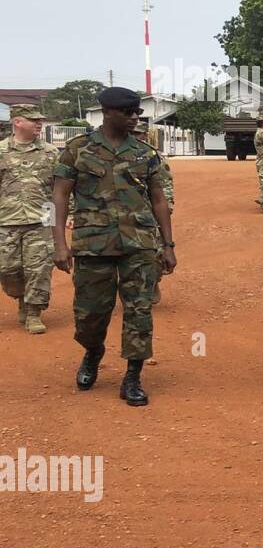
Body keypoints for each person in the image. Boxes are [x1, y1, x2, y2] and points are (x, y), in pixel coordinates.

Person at [51, 87, 176, 406]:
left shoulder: (146, 153)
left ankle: (133, 376)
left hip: (139, 245)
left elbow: (159, 199)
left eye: (138, 112)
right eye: (129, 112)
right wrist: (59, 244)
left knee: (139, 311)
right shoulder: (77, 150)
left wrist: (168, 244)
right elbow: (60, 197)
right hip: (92, 245)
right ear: (108, 113)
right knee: (89, 315)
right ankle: (93, 352)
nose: (136, 117)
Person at [0, 104, 59, 334]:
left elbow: (61, 188)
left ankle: (33, 312)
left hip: (42, 219)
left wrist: (66, 215)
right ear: (17, 122)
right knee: (7, 269)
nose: (39, 123)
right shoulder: (1, 151)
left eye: (40, 120)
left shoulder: (50, 152)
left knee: (39, 268)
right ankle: (21, 298)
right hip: (6, 219)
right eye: (33, 120)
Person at [131, 123, 174, 306]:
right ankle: (135, 289)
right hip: (123, 216)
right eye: (132, 133)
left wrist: (167, 208)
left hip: (148, 215)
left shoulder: (151, 155)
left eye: (138, 134)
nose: (135, 137)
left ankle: (153, 281)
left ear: (145, 136)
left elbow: (165, 185)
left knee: (155, 255)